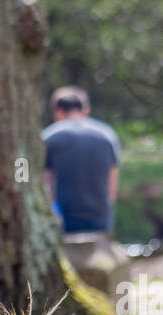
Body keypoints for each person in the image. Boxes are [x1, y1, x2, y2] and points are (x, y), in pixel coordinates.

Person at [42, 87, 121, 234]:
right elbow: (112, 188)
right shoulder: (108, 136)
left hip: (63, 220)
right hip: (100, 217)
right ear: (85, 109)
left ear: (58, 111)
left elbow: (46, 181)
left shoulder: (48, 137)